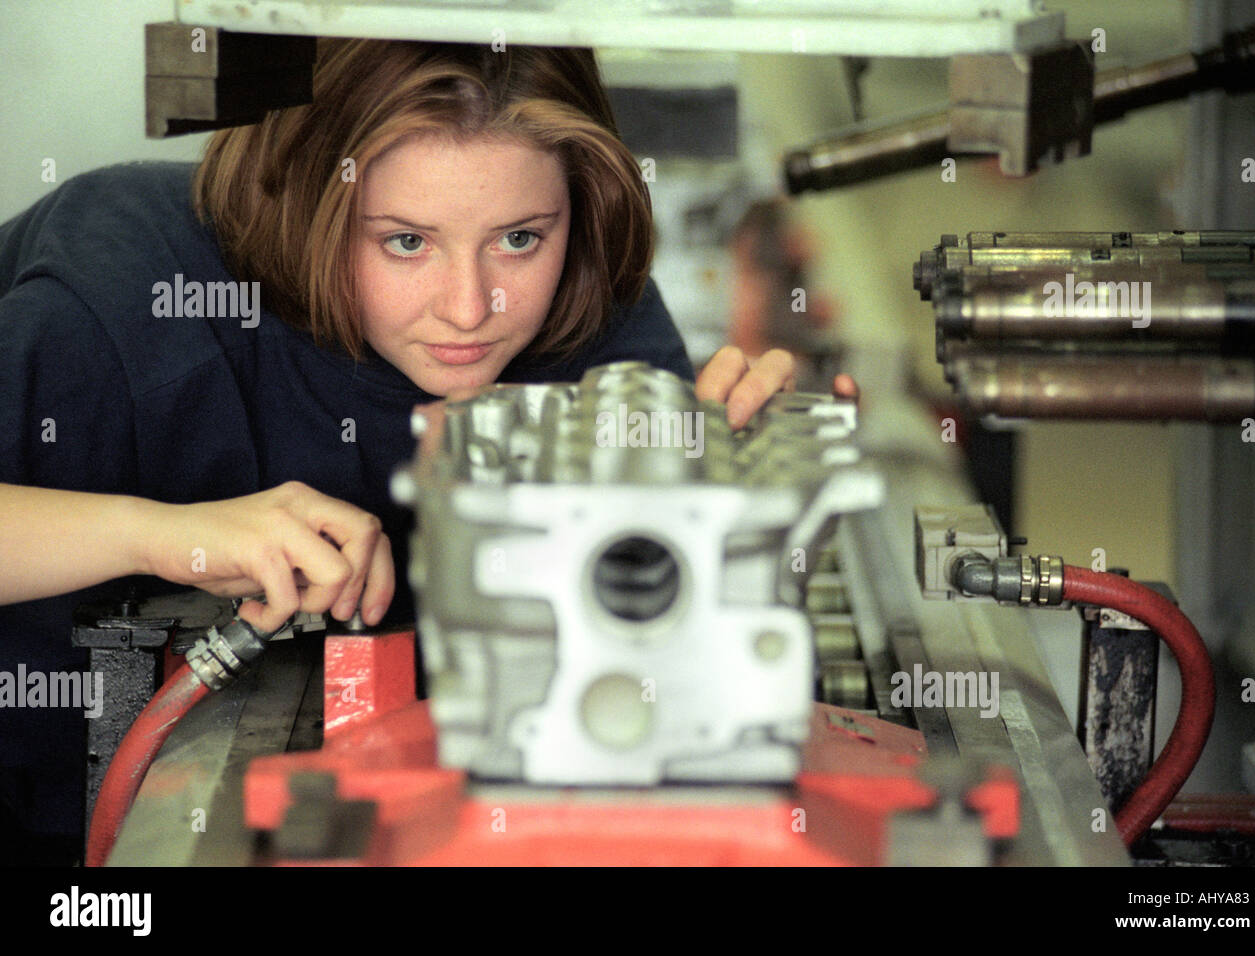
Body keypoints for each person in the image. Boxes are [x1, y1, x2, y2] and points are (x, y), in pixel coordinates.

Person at [0, 38, 855, 861]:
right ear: (310, 198)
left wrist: (735, 499)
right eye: (405, 241)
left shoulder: (594, 322)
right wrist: (164, 534)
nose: (469, 308)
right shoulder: (125, 300)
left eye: (521, 238)